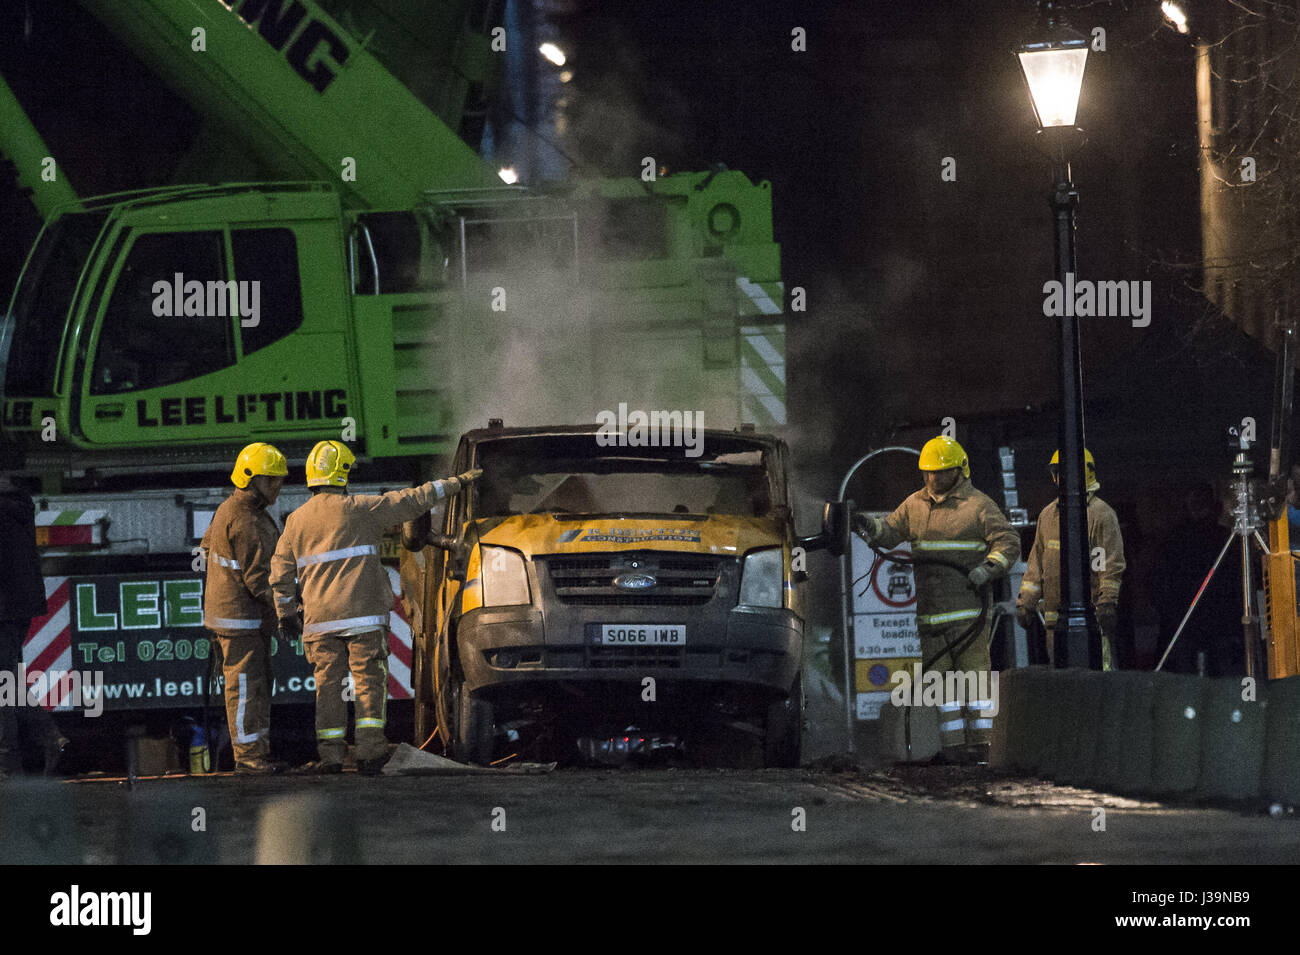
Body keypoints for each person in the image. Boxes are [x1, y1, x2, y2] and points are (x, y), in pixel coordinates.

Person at [270, 441, 482, 776]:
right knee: (368, 683)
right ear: (341, 474)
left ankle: (331, 758)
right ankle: (370, 754)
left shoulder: (295, 521)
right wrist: (456, 482)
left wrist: (286, 614)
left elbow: (279, 572)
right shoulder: (360, 508)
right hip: (362, 619)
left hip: (318, 624)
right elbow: (413, 500)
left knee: (328, 689)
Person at [854, 436, 1020, 764]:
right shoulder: (914, 505)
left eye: (942, 472)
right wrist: (865, 525)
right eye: (928, 472)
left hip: (969, 616)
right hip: (931, 616)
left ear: (960, 471)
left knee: (974, 683)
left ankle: (985, 750)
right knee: (942, 689)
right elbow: (888, 533)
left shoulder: (978, 506)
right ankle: (954, 750)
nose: (934, 478)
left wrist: (987, 570)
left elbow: (1008, 541)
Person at [200, 443, 288, 774]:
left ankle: (255, 753)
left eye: (280, 479)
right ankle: (249, 758)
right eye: (271, 479)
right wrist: (291, 610)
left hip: (234, 618)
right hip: (240, 621)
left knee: (255, 685)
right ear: (250, 477)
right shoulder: (248, 521)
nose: (278, 485)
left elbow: (207, 546)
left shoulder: (233, 509)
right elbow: (261, 582)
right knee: (247, 688)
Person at [1016, 449, 1126, 669]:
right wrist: (1026, 602)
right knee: (1062, 684)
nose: (1059, 477)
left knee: (1096, 678)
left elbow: (1109, 563)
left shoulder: (1101, 514)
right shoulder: (1047, 515)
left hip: (1091, 621)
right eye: (1056, 472)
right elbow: (1036, 563)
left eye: (1063, 471)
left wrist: (1107, 602)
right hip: (1054, 622)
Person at [0, 473, 68, 778]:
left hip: (5, 609)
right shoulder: (17, 502)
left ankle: (9, 763)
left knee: (5, 684)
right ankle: (49, 738)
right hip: (18, 607)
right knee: (10, 680)